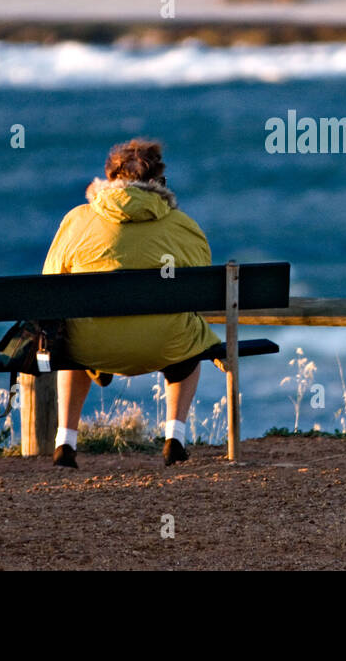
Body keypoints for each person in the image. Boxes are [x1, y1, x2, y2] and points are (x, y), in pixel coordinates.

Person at [41, 138, 220, 468]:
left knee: (71, 333)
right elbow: (201, 285)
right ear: (157, 182)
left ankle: (65, 442)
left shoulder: (77, 221)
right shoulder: (183, 226)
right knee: (191, 340)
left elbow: (50, 284)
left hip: (91, 346)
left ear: (110, 178)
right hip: (166, 344)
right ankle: (175, 437)